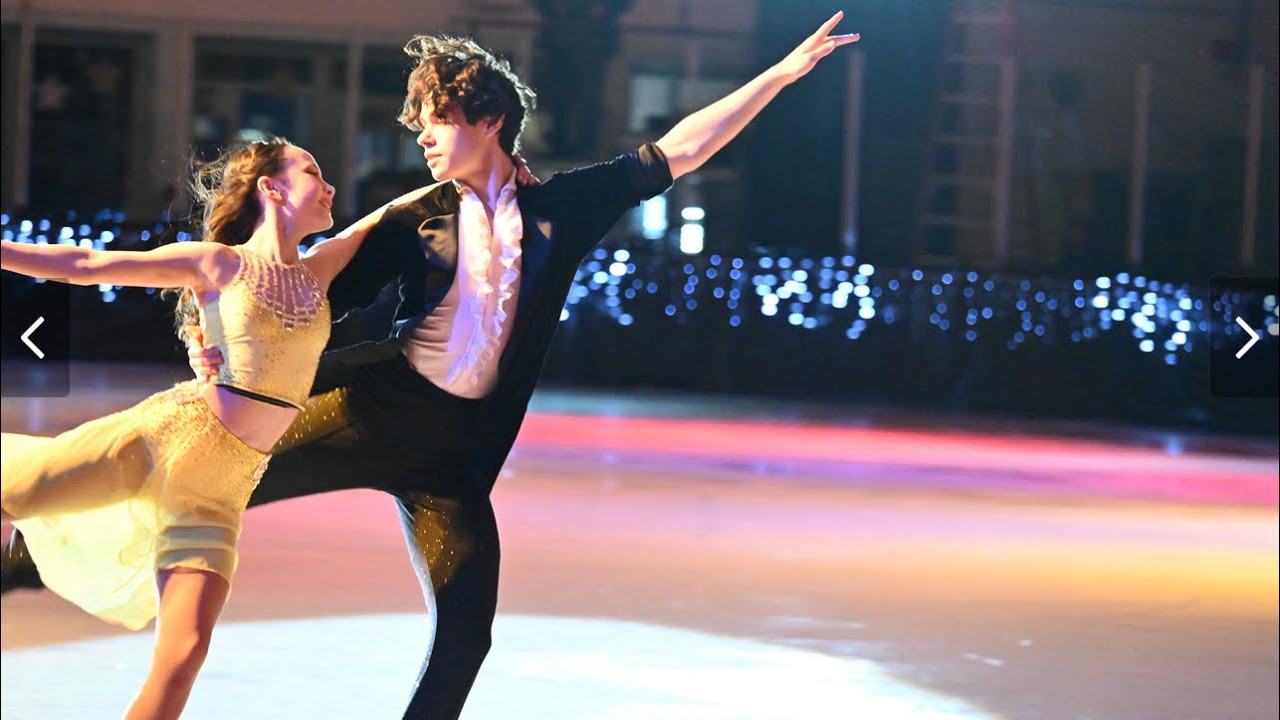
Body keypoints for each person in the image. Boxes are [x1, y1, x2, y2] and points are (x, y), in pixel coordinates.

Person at [4, 12, 860, 719]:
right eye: (416, 124)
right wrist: (209, 335)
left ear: (487, 122)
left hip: (453, 463)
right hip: (366, 407)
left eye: (435, 122)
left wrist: (779, 75)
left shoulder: (562, 209)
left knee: (467, 637)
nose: (418, 137)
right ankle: (17, 559)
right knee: (204, 478)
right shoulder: (413, 218)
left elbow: (677, 149)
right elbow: (282, 280)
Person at [0, 139, 362, 719]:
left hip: (221, 492)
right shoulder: (217, 262)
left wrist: (491, 177)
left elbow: (394, 214)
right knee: (8, 489)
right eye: (313, 172)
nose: (330, 186)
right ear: (271, 187)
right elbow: (87, 266)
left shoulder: (321, 269)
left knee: (183, 654)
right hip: (161, 442)